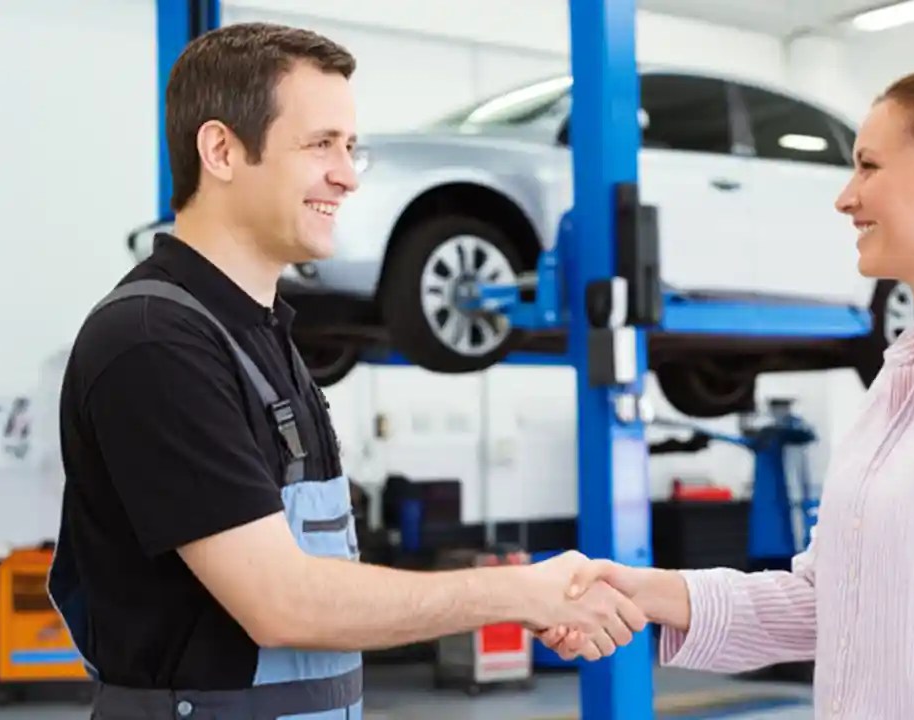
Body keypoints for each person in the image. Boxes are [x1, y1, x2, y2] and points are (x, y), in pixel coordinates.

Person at [48, 22, 642, 719]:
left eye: (351, 147)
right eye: (320, 144)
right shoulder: (152, 344)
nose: (348, 174)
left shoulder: (264, 337)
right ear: (221, 149)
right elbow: (283, 604)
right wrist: (517, 593)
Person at [540, 66, 914, 720]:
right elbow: (830, 605)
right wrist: (647, 592)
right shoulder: (903, 383)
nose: (845, 198)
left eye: (869, 166)